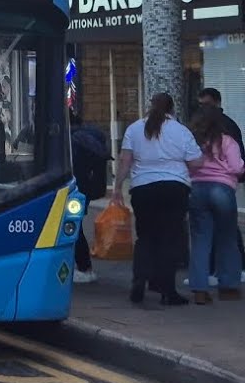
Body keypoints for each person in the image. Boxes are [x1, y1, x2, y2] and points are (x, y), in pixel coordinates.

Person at [112, 92, 204, 306]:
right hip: (174, 188)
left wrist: (117, 188)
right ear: (173, 109)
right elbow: (196, 163)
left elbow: (125, 161)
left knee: (145, 237)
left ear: (149, 106)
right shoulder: (181, 131)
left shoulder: (134, 129)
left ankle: (140, 279)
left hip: (143, 189)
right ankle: (167, 290)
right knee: (169, 238)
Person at [186, 108, 245, 303]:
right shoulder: (228, 141)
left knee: (200, 240)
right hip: (222, 189)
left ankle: (199, 289)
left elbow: (188, 164)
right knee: (227, 239)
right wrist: (227, 169)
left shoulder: (194, 143)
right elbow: (237, 167)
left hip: (196, 189)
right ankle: (228, 286)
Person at [196, 88, 245, 283]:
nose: (202, 108)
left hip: (205, 184)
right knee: (226, 229)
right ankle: (229, 273)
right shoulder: (222, 128)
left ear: (216, 103)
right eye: (200, 104)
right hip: (222, 184)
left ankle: (207, 275)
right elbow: (237, 163)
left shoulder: (217, 127)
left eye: (205, 104)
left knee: (209, 231)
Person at [70, 112, 110, 283]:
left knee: (73, 227)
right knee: (76, 226)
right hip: (86, 187)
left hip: (74, 188)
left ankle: (84, 267)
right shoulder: (90, 137)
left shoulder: (73, 140)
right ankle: (84, 267)